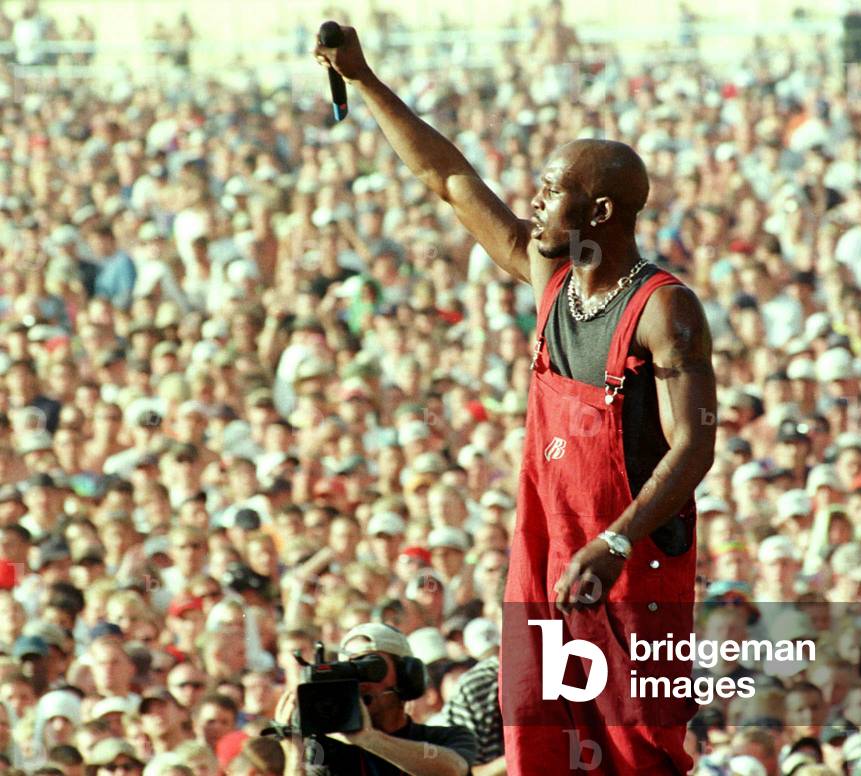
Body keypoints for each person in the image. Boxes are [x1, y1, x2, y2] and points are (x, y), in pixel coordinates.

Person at [314, 25, 716, 775]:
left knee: (636, 750)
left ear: (599, 213)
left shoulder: (665, 310)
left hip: (629, 568)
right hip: (547, 550)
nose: (533, 204)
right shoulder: (552, 280)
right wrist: (365, 80)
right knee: (539, 736)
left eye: (550, 192)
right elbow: (451, 182)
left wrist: (616, 542)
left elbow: (696, 448)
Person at [273, 623, 476, 776]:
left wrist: (370, 739)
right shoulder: (329, 751)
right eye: (350, 669)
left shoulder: (444, 738)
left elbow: (454, 768)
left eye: (371, 666)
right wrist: (294, 753)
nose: (361, 680)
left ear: (406, 675)